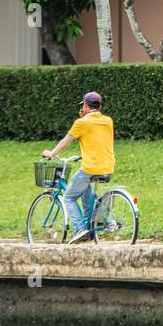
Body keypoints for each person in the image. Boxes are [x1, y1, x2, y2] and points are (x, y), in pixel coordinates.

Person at [41, 91, 115, 243]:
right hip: (108, 167)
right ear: (100, 106)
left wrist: (52, 154)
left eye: (83, 105)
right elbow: (95, 138)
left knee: (69, 196)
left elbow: (65, 141)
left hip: (91, 168)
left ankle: (80, 230)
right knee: (86, 193)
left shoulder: (81, 123)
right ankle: (97, 226)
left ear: (86, 106)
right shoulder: (108, 121)